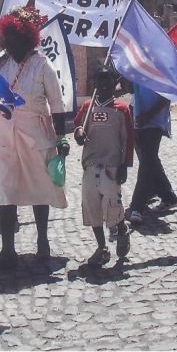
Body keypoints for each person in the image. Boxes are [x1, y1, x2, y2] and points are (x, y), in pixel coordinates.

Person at [0, 6, 69, 271]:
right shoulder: (1, 65)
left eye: (16, 41)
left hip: (36, 135)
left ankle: (42, 241)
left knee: (39, 188)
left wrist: (61, 138)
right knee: (6, 190)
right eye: (8, 41)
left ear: (28, 40)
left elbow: (57, 105)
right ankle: (7, 250)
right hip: (5, 134)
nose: (11, 46)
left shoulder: (43, 65)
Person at [73, 68, 134, 267]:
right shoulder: (88, 107)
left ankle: (121, 229)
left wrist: (125, 165)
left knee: (113, 205)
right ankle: (102, 247)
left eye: (108, 80)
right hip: (90, 164)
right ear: (95, 83)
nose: (104, 84)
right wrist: (79, 133)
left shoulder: (122, 109)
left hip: (112, 166)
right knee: (92, 206)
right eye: (100, 80)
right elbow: (77, 128)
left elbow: (128, 140)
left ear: (114, 82)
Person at [125, 82, 177, 225]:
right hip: (137, 116)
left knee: (147, 160)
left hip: (155, 121)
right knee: (149, 160)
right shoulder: (137, 66)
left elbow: (166, 96)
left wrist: (147, 115)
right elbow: (130, 89)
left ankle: (136, 206)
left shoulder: (159, 67)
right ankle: (169, 196)